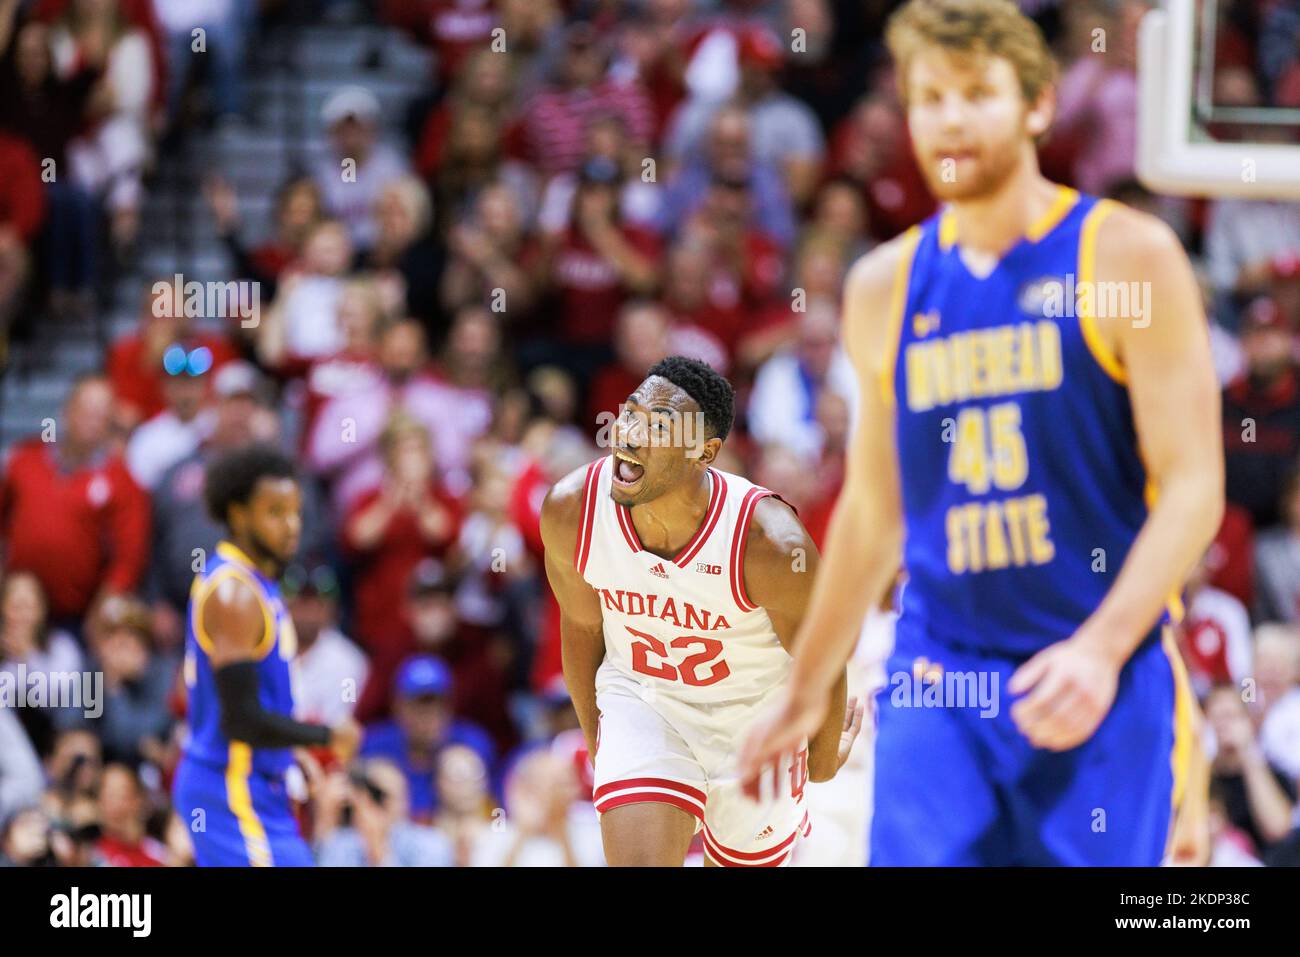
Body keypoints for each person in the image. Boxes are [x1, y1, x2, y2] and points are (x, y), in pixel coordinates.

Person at [739, 0, 1222, 866]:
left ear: (1038, 106)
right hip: (940, 675)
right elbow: (874, 512)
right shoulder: (885, 285)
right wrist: (804, 685)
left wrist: (1102, 649)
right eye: (929, 97)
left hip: (1094, 667)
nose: (949, 118)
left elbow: (1193, 488)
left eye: (976, 94)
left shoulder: (1127, 257)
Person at [541, 355, 862, 867]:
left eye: (660, 426)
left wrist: (820, 764)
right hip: (645, 703)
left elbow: (820, 654)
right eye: (629, 414)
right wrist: (596, 739)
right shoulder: (571, 510)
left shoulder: (769, 543)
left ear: (704, 452)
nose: (629, 434)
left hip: (757, 724)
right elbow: (581, 625)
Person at [171, 445, 360, 866]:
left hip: (258, 786)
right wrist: (326, 737)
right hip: (229, 788)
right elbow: (241, 719)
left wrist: (292, 752)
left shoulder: (257, 582)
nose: (291, 525)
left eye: (295, 511)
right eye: (275, 512)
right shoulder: (234, 593)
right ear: (238, 515)